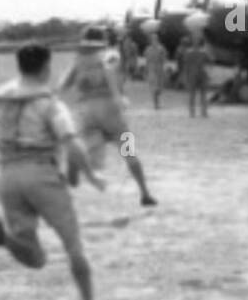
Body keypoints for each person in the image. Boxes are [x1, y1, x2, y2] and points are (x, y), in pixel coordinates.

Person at [0, 42, 108, 300]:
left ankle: (4, 237)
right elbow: (72, 143)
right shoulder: (49, 103)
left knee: (35, 258)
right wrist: (91, 176)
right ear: (45, 67)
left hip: (8, 178)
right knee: (74, 246)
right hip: (42, 175)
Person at [58, 27, 157, 206]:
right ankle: (144, 193)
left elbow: (63, 85)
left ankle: (73, 163)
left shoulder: (78, 60)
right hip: (111, 108)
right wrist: (118, 95)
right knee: (129, 150)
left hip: (87, 110)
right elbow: (113, 73)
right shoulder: (111, 55)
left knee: (86, 148)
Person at [178, 30, 211, 118]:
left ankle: (203, 111)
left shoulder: (203, 52)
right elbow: (186, 66)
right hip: (193, 74)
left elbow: (210, 61)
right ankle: (192, 112)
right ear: (192, 41)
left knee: (203, 94)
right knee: (192, 94)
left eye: (197, 39)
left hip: (201, 74)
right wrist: (185, 76)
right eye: (194, 39)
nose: (196, 41)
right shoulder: (189, 53)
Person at [143, 33, 168, 110]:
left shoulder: (161, 48)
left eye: (155, 38)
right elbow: (146, 60)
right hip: (151, 69)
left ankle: (156, 101)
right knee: (154, 87)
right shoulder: (148, 49)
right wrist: (146, 70)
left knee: (159, 88)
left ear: (157, 39)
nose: (154, 40)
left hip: (159, 69)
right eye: (152, 39)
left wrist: (164, 68)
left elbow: (164, 59)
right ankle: (156, 104)